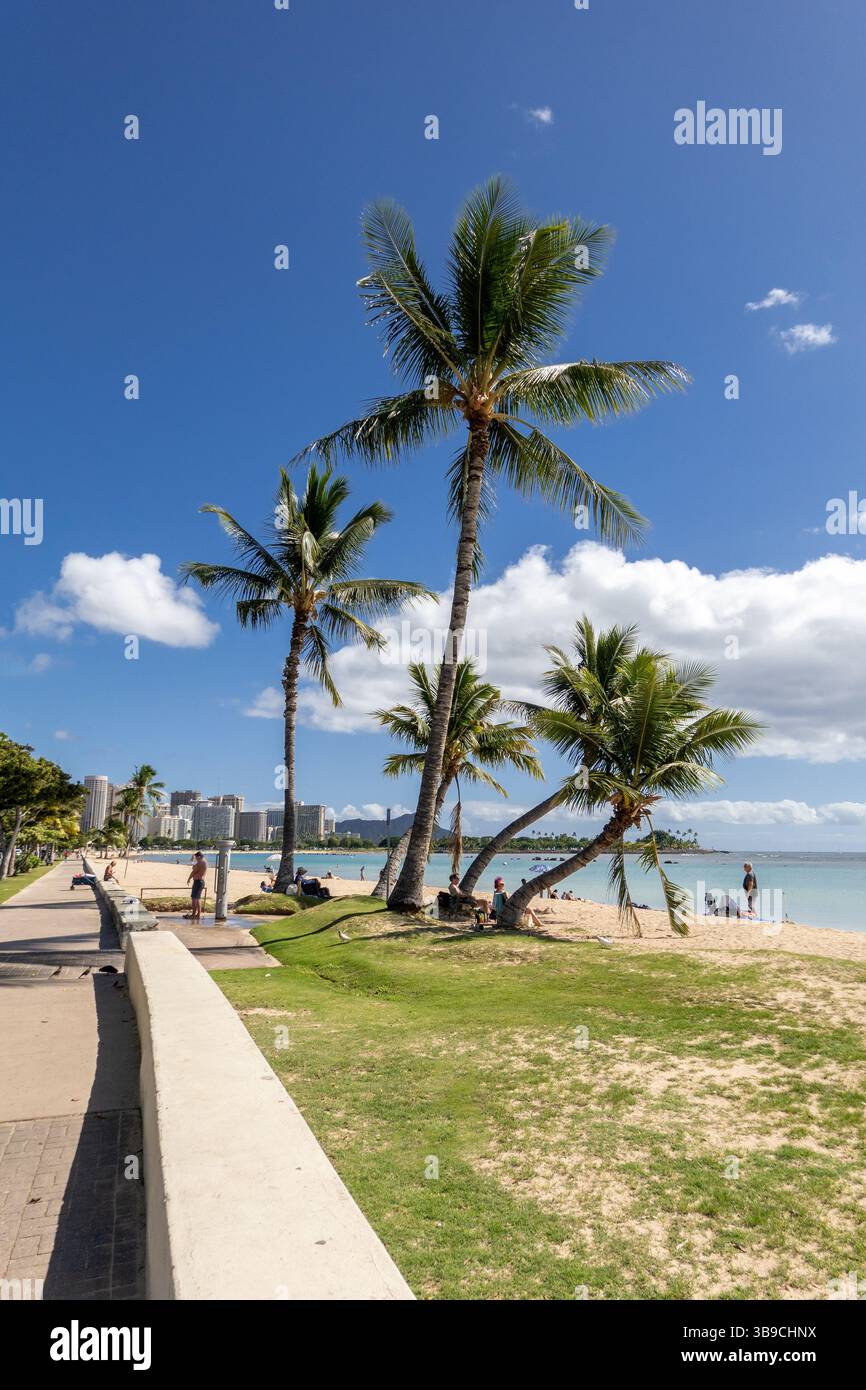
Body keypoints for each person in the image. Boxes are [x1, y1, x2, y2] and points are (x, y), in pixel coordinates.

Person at [187, 851, 208, 923]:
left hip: (198, 881)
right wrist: (193, 861)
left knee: (194, 898)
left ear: (199, 857)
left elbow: (194, 871)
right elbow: (196, 869)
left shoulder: (200, 863)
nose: (195, 858)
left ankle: (194, 914)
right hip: (201, 881)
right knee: (198, 898)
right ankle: (198, 914)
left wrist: (189, 878)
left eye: (196, 857)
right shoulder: (204, 862)